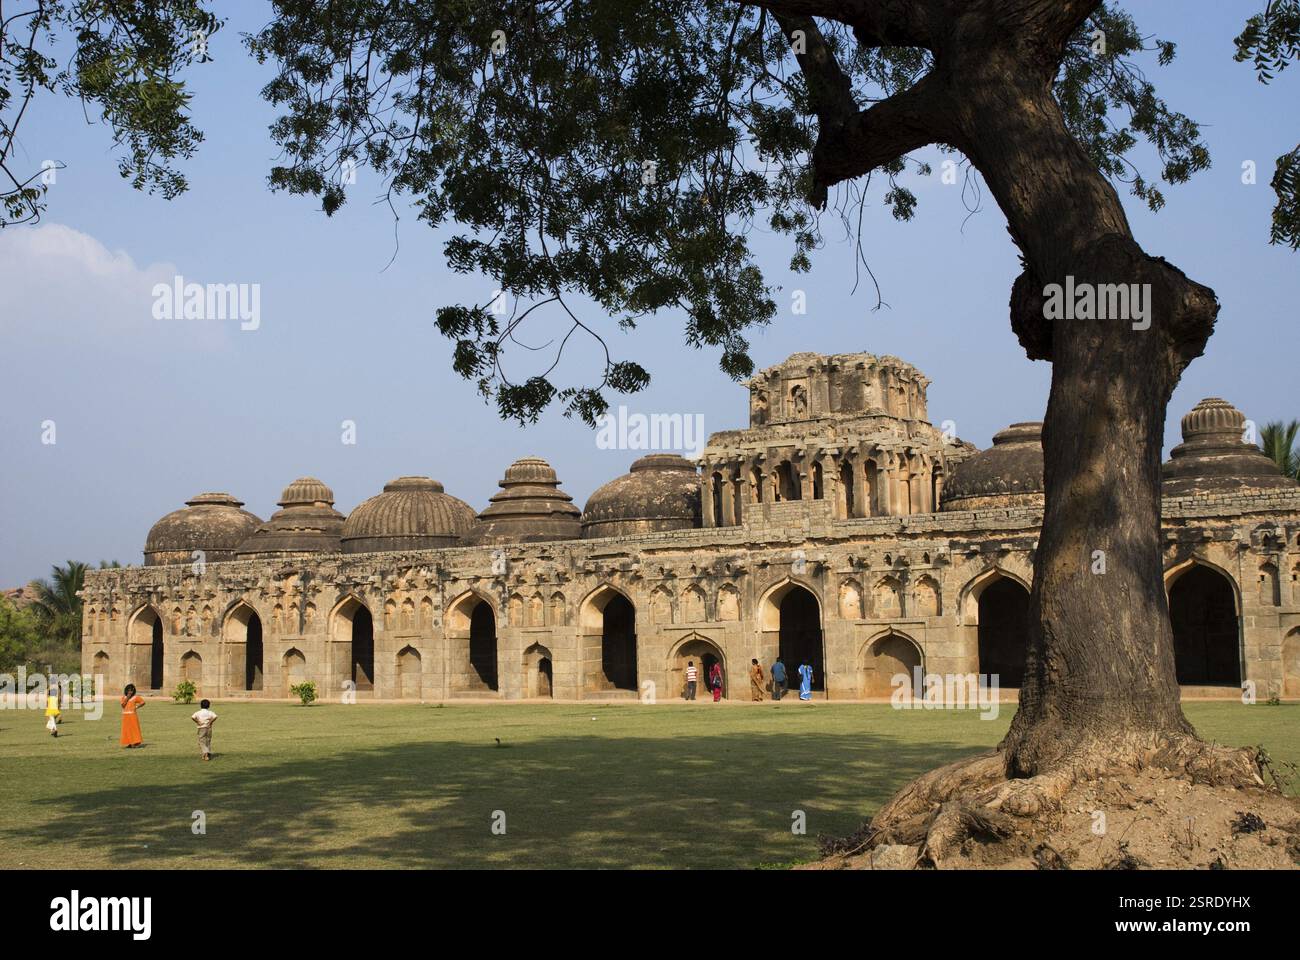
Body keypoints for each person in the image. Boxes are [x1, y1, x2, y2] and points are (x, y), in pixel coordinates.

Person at [120, 684, 145, 748]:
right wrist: (127, 698)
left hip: (132, 715)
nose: (130, 692)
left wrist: (136, 707)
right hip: (125, 715)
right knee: (127, 730)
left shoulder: (135, 697)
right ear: (126, 691)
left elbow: (143, 702)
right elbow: (123, 705)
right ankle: (129, 743)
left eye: (131, 691)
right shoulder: (123, 697)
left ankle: (135, 743)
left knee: (134, 729)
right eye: (128, 690)